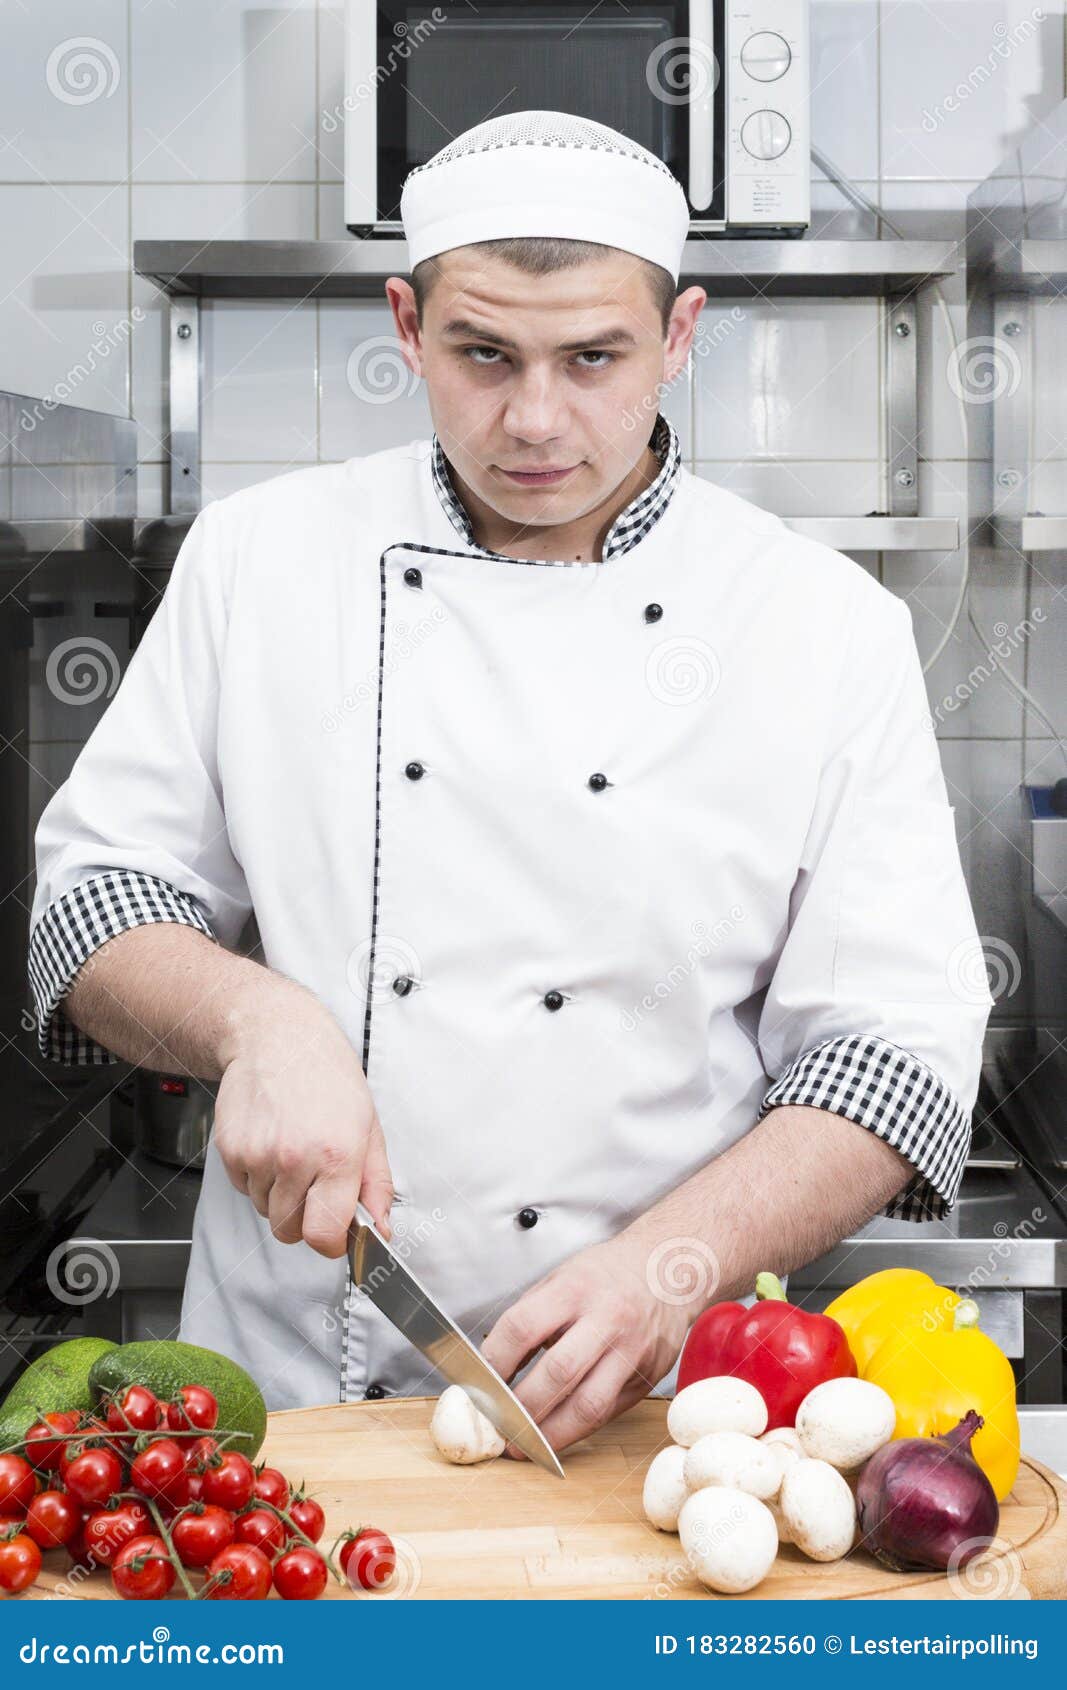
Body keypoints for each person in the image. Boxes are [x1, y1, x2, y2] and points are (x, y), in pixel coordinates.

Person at [29, 112, 991, 1452]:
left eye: (594, 357)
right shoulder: (261, 560)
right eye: (484, 354)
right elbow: (89, 904)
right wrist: (257, 1021)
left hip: (664, 1420)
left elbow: (892, 1054)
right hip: (300, 1401)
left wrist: (673, 1263)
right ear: (407, 326)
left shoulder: (823, 625)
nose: (536, 420)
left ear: (681, 335)